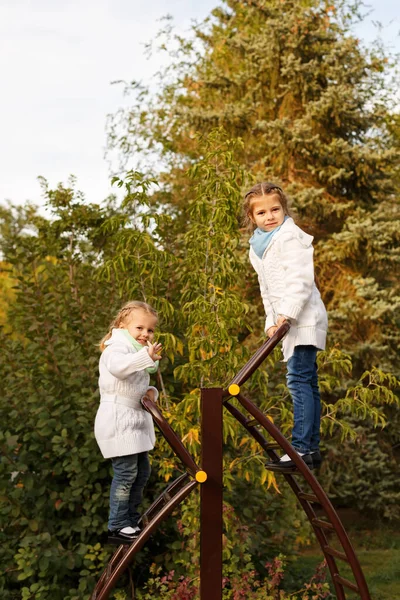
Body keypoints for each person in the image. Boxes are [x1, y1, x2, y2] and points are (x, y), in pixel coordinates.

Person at [243, 182, 328, 471]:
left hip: (303, 318)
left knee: (298, 380)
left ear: (284, 209)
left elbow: (301, 281)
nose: (269, 216)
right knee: (307, 380)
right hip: (287, 322)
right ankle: (311, 449)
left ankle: (301, 449)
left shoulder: (290, 238)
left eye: (275, 209)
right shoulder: (258, 248)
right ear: (252, 217)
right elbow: (267, 290)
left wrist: (287, 315)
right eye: (262, 212)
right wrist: (271, 321)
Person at [94, 300, 162, 543]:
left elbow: (134, 386)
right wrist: (146, 356)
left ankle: (130, 520)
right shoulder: (116, 348)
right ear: (123, 325)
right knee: (125, 473)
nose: (145, 334)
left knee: (142, 472)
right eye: (140, 328)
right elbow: (119, 370)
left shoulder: (135, 351)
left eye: (150, 330)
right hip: (117, 421)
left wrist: (151, 391)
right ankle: (118, 524)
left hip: (133, 423)